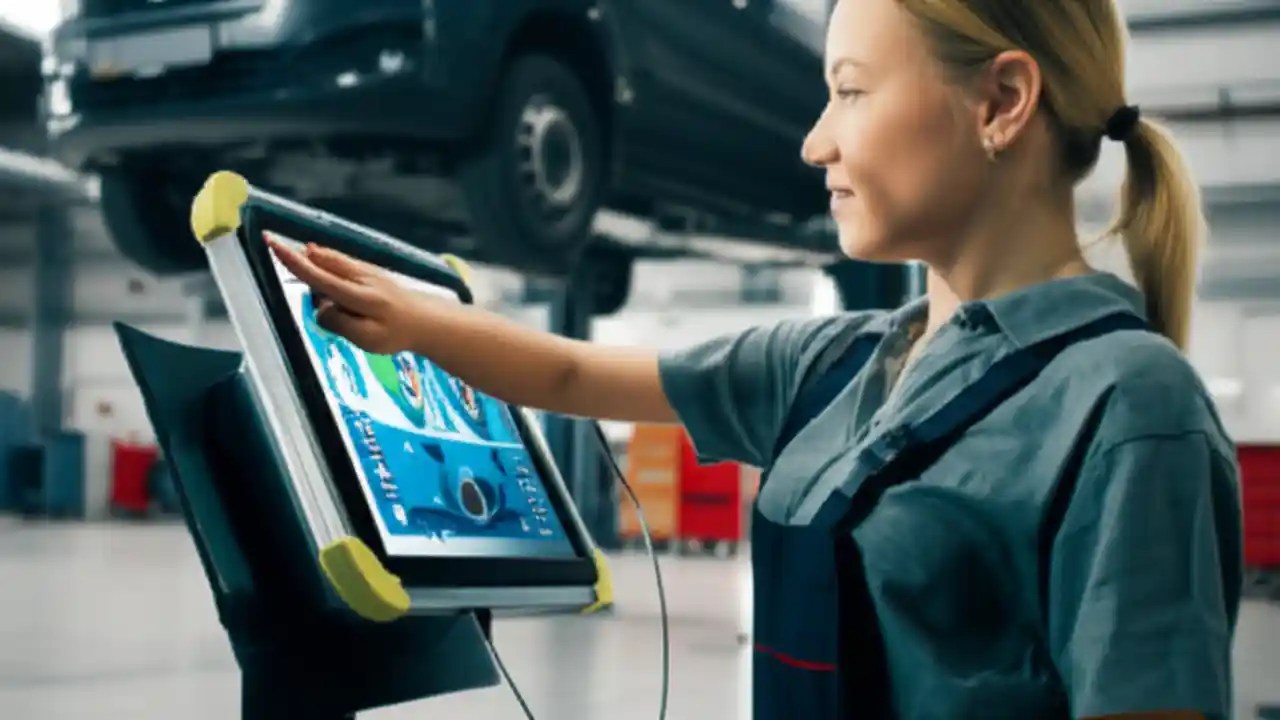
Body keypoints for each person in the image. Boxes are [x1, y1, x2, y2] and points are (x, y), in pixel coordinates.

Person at [270, 0, 1243, 717]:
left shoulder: (1124, 408)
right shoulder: (831, 367)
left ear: (999, 99)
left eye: (849, 93)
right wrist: (403, 316)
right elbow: (572, 376)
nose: (815, 143)